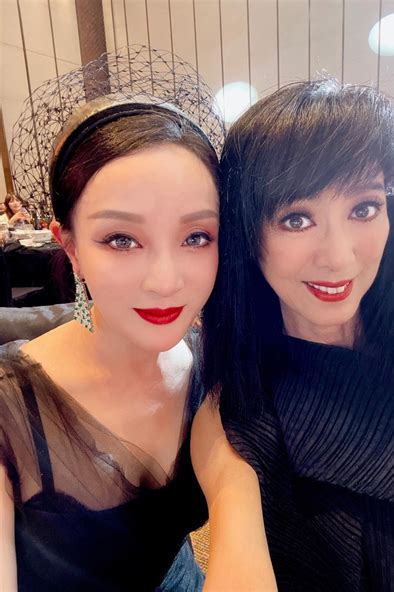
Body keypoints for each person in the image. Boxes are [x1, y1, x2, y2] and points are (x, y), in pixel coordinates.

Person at [201, 79, 394, 591]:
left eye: (363, 208)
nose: (339, 257)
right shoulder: (233, 410)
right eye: (296, 218)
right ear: (246, 234)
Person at [0, 95, 275, 592]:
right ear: (70, 247)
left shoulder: (213, 363)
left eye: (196, 236)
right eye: (122, 239)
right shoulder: (10, 407)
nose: (165, 281)